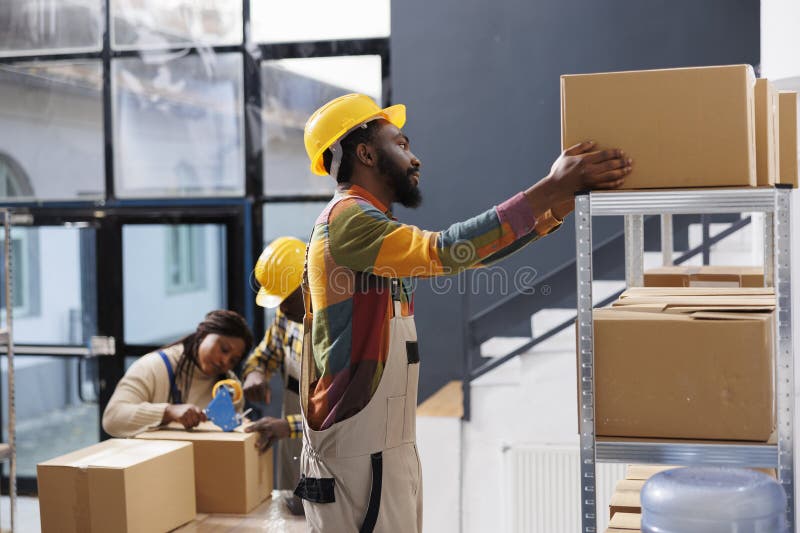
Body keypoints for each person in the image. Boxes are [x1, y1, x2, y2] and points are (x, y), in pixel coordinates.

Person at [294, 93, 633, 532]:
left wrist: (552, 209)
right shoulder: (348, 221)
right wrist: (548, 190)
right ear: (364, 153)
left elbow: (463, 255)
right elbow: (448, 250)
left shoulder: (371, 228)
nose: (414, 159)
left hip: (380, 448)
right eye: (401, 145)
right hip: (359, 452)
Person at [102, 309, 254, 438]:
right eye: (224, 349)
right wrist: (167, 412)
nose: (225, 361)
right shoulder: (155, 367)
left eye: (234, 360)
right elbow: (112, 419)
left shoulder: (229, 385)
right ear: (203, 335)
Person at [241, 236, 306, 514]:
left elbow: (343, 416)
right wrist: (256, 373)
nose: (281, 308)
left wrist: (287, 426)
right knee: (292, 506)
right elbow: (263, 356)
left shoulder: (336, 330)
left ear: (307, 285)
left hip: (322, 439)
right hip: (291, 424)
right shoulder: (285, 318)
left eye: (286, 298)